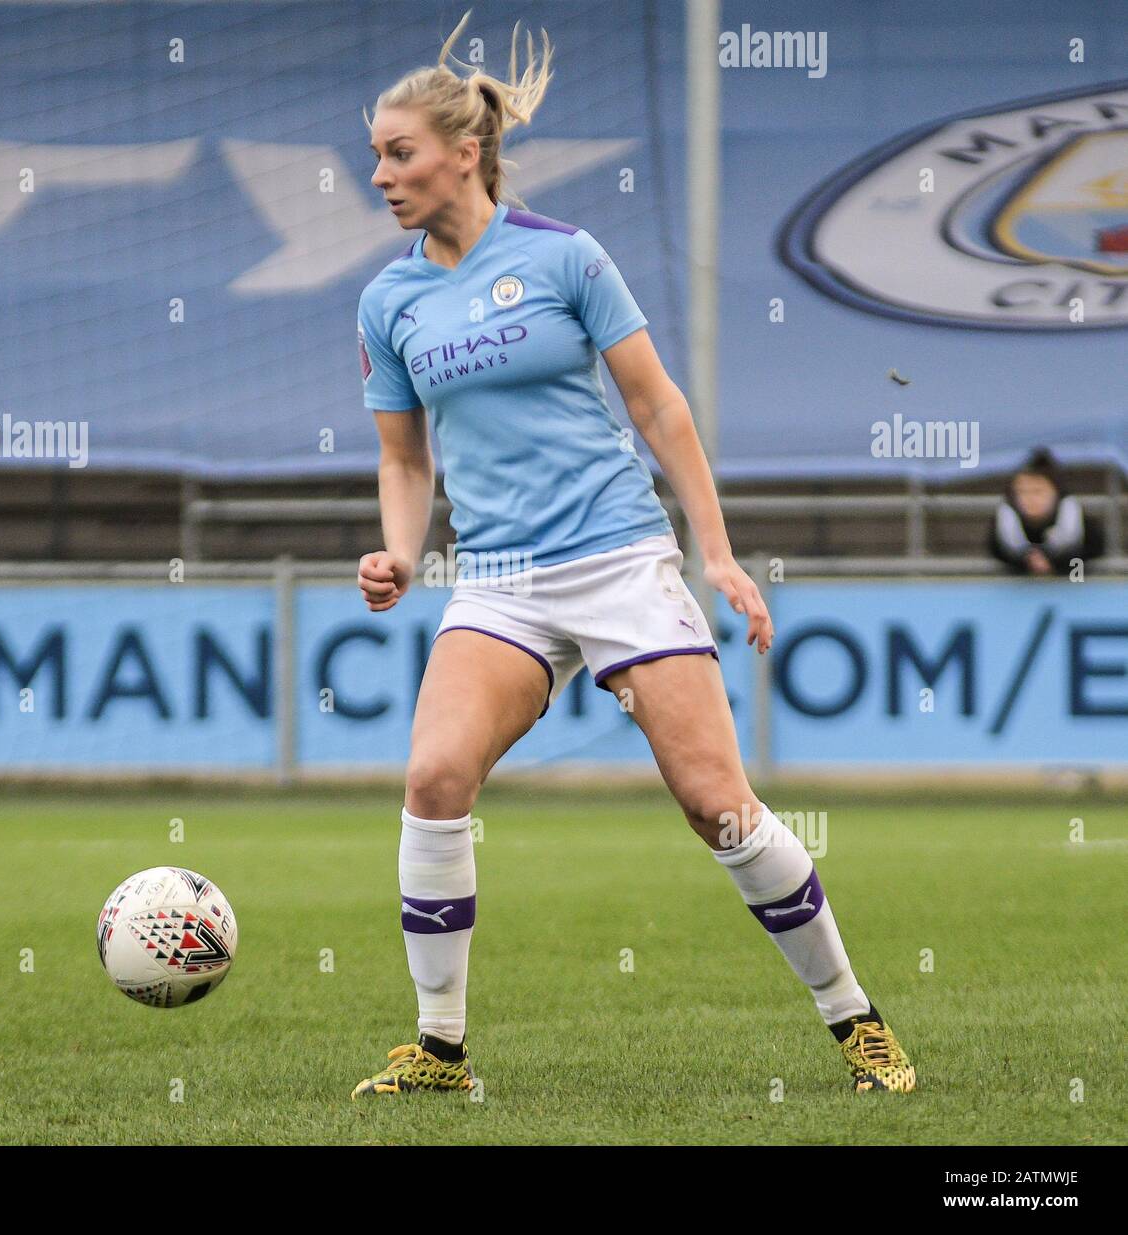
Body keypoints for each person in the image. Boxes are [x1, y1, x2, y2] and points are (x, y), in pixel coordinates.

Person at [352, 10, 915, 1098]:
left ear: (463, 152)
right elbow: (404, 458)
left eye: (397, 152)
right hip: (500, 580)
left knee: (716, 802)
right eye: (376, 154)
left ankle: (856, 1023)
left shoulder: (566, 255)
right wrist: (394, 549)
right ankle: (439, 1049)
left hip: (617, 553)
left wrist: (717, 552)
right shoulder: (388, 299)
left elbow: (658, 408)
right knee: (431, 777)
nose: (378, 174)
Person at [990, 448, 1103, 575]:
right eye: (1022, 491)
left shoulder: (1077, 519)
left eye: (1037, 491)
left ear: (1055, 492)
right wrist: (1026, 560)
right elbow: (999, 554)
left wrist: (1055, 562)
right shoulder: (1005, 519)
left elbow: (1092, 552)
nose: (1030, 499)